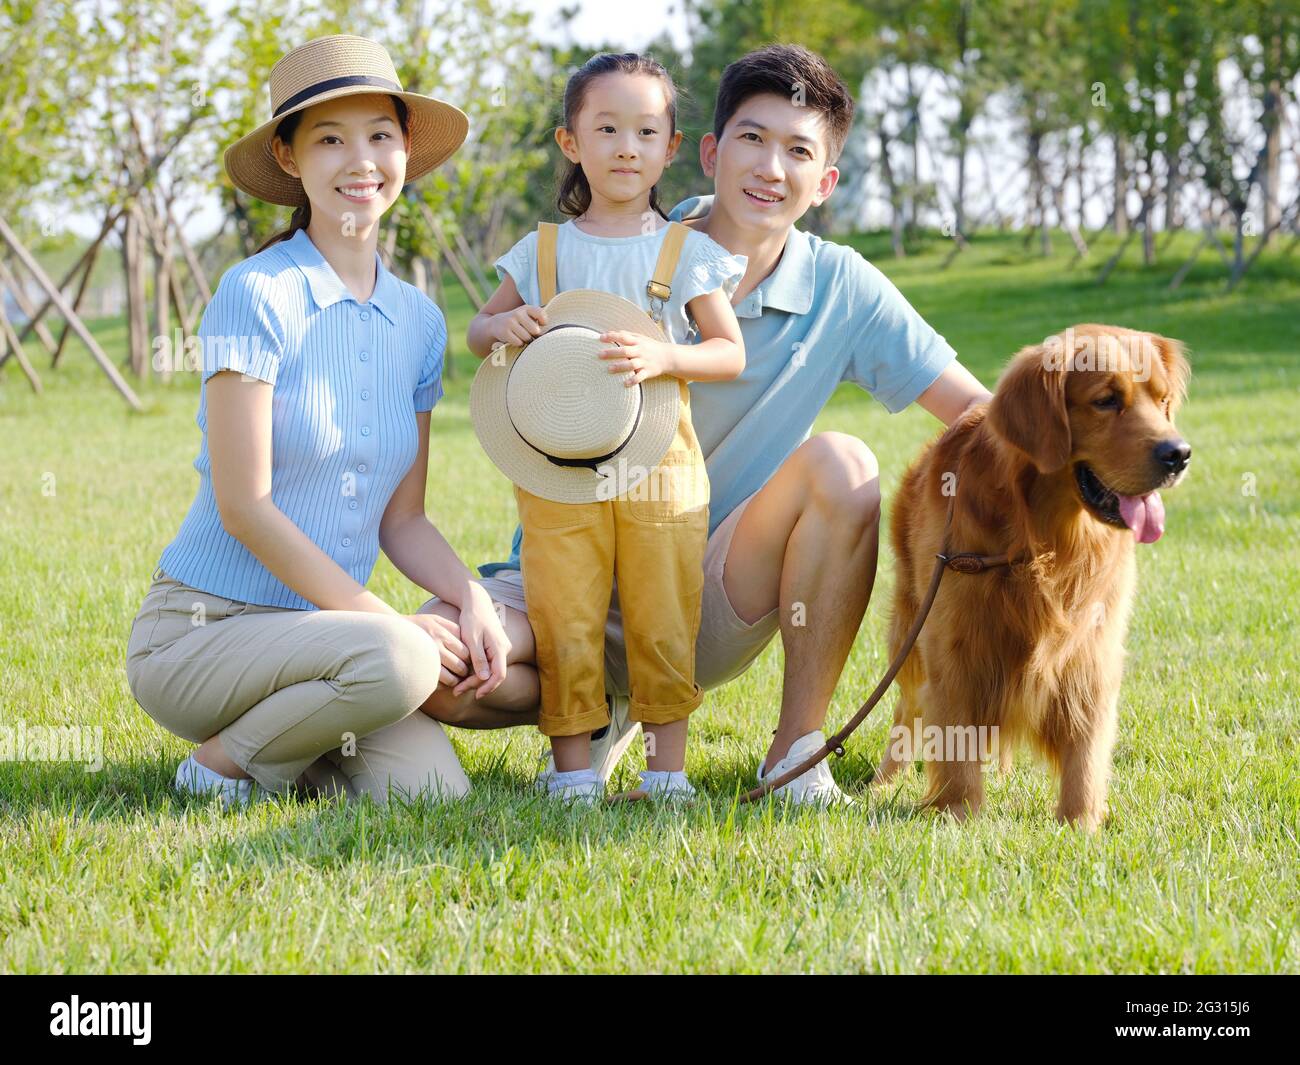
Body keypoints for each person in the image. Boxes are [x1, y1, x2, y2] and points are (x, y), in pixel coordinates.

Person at [417, 43, 992, 806]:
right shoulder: (618, 241)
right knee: (434, 667)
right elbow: (489, 337)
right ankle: (598, 710)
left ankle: (796, 755)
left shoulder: (845, 288)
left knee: (845, 464)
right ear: (712, 151)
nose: (770, 168)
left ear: (824, 183)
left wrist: (1097, 469)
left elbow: (980, 413)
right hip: (561, 570)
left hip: (706, 584)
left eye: (798, 152)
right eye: (752, 139)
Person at [125, 34, 510, 806]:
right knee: (401, 660)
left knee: (433, 794)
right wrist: (383, 624)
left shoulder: (422, 323)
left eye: (379, 135)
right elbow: (245, 506)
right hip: (202, 634)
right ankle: (220, 767)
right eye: (329, 139)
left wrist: (470, 596)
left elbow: (404, 520)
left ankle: (297, 741)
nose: (359, 160)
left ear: (406, 150)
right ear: (291, 158)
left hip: (332, 641)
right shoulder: (256, 293)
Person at [458, 53, 747, 803]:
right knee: (564, 610)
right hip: (558, 463)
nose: (627, 147)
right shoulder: (544, 250)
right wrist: (504, 324)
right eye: (607, 128)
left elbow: (727, 351)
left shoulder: (685, 252)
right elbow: (477, 331)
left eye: (647, 131)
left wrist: (665, 352)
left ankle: (666, 771)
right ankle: (572, 773)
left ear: (672, 148)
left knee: (663, 610)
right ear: (570, 143)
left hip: (662, 465)